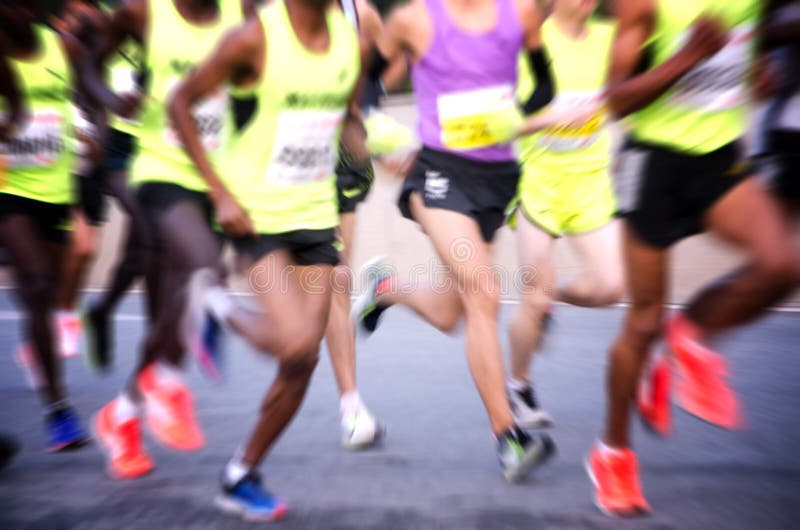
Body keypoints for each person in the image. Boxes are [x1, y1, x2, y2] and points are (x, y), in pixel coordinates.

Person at [588, 0, 800, 516]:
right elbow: (614, 101)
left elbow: (761, 33)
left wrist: (754, 64)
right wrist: (685, 58)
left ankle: (689, 338)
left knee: (784, 262)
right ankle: (612, 453)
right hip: (653, 165)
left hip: (720, 160)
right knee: (641, 320)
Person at [352, 0, 561, 482]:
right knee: (483, 291)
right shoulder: (414, 20)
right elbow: (363, 86)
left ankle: (387, 289)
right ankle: (509, 438)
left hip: (496, 179)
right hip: (439, 177)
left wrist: (519, 117)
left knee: (453, 314)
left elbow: (545, 85)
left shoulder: (522, 14)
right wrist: (382, 137)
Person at [172, 0, 364, 519]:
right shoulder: (255, 37)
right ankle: (213, 305)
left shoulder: (350, 40)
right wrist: (219, 195)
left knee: (302, 361)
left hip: (315, 215)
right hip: (255, 217)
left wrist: (376, 150)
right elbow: (179, 103)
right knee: (298, 339)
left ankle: (241, 473)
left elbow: (346, 121)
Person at [83, 0, 252, 480]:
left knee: (174, 312)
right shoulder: (141, 13)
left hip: (218, 176)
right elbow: (91, 65)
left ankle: (122, 416)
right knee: (204, 270)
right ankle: (173, 386)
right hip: (161, 170)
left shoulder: (238, 14)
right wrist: (111, 101)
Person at [506, 0, 622, 429]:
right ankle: (518, 387)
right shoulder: (531, 45)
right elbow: (503, 122)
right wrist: (553, 118)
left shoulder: (612, 40)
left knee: (612, 286)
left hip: (591, 181)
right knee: (532, 300)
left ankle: (554, 300)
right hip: (538, 182)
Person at [0, 0, 92, 451]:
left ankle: (53, 397)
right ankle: (58, 409)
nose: (27, 8)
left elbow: (79, 102)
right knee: (36, 284)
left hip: (55, 189)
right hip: (8, 187)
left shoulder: (62, 48)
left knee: (49, 297)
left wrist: (91, 134)